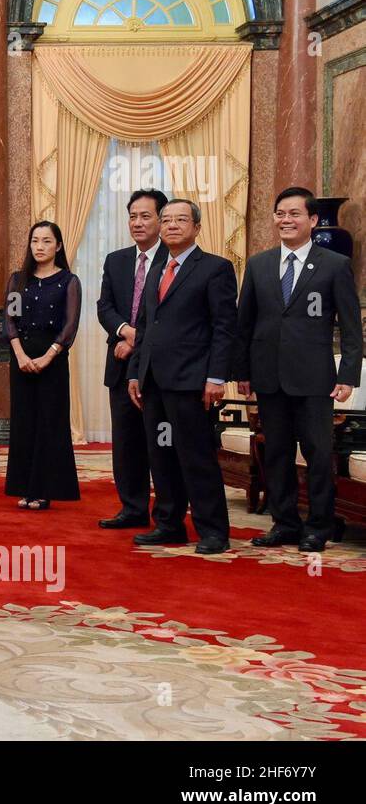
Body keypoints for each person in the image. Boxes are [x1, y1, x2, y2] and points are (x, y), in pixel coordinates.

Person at [234, 187, 362, 552]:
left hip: (314, 379)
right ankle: (284, 523)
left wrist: (348, 375)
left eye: (293, 214)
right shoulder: (258, 264)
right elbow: (245, 324)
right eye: (280, 214)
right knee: (276, 453)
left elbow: (351, 327)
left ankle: (318, 526)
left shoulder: (334, 265)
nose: (285, 220)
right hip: (268, 376)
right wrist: (242, 372)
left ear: (312, 221)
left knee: (318, 454)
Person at [127, 198, 237, 554]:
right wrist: (134, 373)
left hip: (192, 382)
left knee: (196, 456)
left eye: (180, 220)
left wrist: (216, 377)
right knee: (161, 454)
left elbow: (224, 328)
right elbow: (144, 327)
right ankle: (169, 524)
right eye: (167, 219)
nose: (172, 225)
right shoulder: (157, 267)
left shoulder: (215, 269)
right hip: (154, 382)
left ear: (197, 228)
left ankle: (213, 530)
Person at [96, 189, 169, 529]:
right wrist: (127, 332)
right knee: (126, 443)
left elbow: (170, 317)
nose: (137, 223)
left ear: (161, 219)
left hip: (159, 368)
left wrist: (138, 341)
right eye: (133, 216)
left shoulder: (174, 259)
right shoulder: (116, 260)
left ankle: (168, 512)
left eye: (145, 216)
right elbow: (104, 306)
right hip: (121, 363)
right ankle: (132, 508)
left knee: (161, 441)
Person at [3, 221, 81, 510]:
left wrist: (48, 356)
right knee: (25, 422)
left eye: (47, 241)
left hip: (54, 359)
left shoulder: (69, 282)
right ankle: (24, 488)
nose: (40, 246)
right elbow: (9, 321)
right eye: (35, 240)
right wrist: (21, 356)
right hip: (21, 356)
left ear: (58, 246)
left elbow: (70, 325)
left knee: (50, 423)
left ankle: (45, 490)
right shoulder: (17, 280)